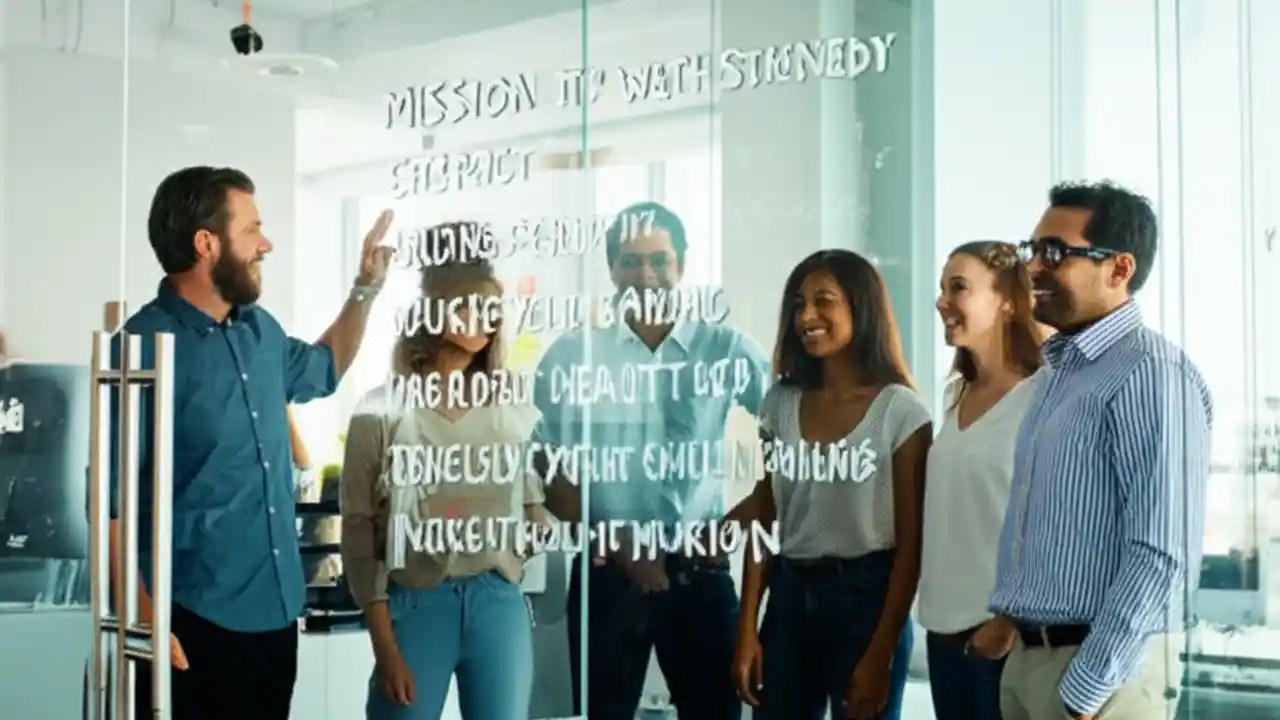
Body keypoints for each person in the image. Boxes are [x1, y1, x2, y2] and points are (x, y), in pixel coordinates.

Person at [110, 165, 394, 719]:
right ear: (206, 243)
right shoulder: (142, 347)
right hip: (191, 619)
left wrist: (365, 290)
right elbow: (113, 504)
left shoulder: (259, 331)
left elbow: (325, 367)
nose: (266, 244)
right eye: (253, 230)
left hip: (275, 609)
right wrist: (142, 617)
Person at [968, 181, 1213, 720]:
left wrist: (1087, 687)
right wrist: (1010, 617)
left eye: (1054, 253)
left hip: (1100, 674)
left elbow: (1163, 553)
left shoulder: (1151, 374)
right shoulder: (1062, 371)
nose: (1033, 267)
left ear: (1119, 269)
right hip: (1032, 662)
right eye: (1032, 250)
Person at [532, 201, 771, 719]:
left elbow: (794, 439)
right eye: (631, 260)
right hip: (607, 574)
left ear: (681, 265)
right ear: (612, 268)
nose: (646, 273)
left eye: (659, 259)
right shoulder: (573, 356)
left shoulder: (726, 349)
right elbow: (543, 464)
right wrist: (613, 538)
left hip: (699, 572)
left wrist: (735, 522)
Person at [341, 235, 552, 719]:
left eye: (493, 307)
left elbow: (533, 513)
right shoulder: (381, 411)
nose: (488, 319)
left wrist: (531, 529)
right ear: (436, 310)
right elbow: (359, 532)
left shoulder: (513, 410)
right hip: (415, 604)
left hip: (497, 601)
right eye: (474, 305)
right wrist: (385, 647)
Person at [731, 249, 930, 720]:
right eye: (799, 304)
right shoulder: (780, 401)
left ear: (860, 309)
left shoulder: (900, 411)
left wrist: (881, 652)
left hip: (868, 601)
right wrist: (747, 630)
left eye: (824, 301)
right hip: (790, 595)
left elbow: (912, 546)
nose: (808, 316)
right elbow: (763, 518)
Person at [917, 241, 1045, 720]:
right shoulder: (955, 394)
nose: (942, 301)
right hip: (943, 634)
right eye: (941, 289)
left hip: (1000, 639)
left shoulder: (1041, 396)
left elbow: (1051, 519)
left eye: (959, 288)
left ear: (1007, 301)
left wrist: (1006, 624)